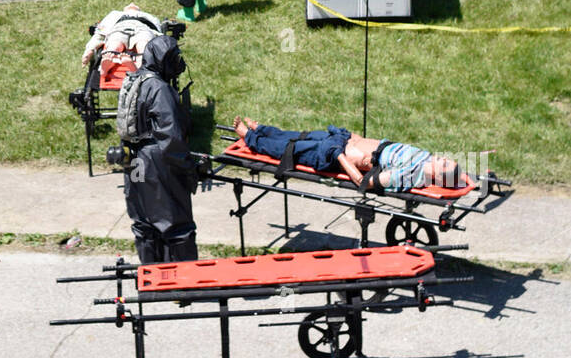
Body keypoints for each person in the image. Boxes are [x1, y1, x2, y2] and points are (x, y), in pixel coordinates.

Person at [119, 34, 197, 263]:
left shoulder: (134, 79)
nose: (179, 64)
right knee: (176, 223)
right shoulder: (160, 89)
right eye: (175, 58)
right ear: (164, 60)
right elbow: (170, 138)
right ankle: (184, 279)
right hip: (157, 161)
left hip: (134, 160)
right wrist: (188, 169)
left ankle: (151, 275)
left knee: (144, 223)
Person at [232, 117, 461, 190]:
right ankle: (263, 130)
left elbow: (364, 182)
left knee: (290, 149)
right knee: (299, 135)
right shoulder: (424, 157)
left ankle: (250, 138)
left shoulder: (409, 175)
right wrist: (353, 137)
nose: (441, 158)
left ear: (437, 177)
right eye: (445, 159)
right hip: (343, 139)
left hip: (333, 155)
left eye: (443, 164)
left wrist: (339, 156)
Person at [82, 3, 164, 77]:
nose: (132, 3)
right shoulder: (115, 14)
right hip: (120, 27)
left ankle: (136, 67)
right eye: (130, 4)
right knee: (115, 45)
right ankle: (108, 64)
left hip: (143, 28)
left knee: (143, 45)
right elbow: (101, 32)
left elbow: (157, 30)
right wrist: (89, 50)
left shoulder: (148, 15)